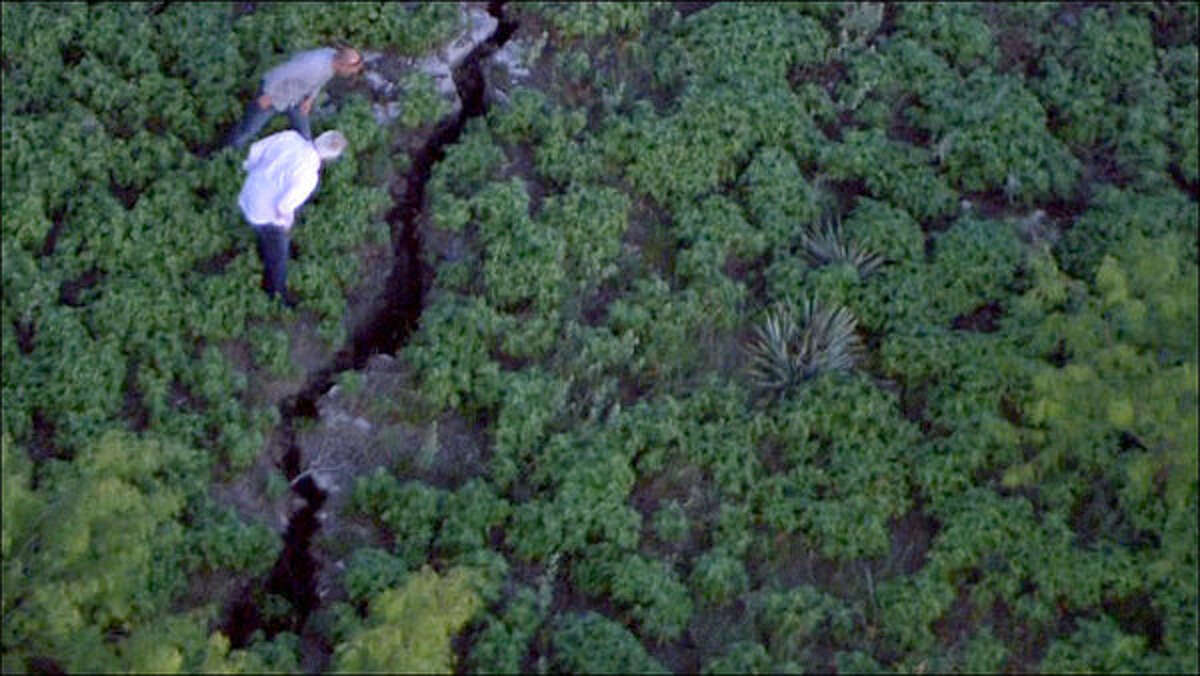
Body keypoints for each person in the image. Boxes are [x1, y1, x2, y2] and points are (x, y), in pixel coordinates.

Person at [238, 129, 348, 303]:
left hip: (248, 193)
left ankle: (259, 245)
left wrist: (251, 169)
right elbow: (283, 205)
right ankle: (276, 294)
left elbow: (255, 148)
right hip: (263, 213)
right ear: (330, 156)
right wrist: (287, 221)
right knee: (279, 253)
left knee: (265, 232)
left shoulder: (290, 137)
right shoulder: (309, 176)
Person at [228, 46, 363, 148]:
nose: (351, 74)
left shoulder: (332, 60)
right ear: (342, 64)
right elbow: (280, 73)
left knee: (305, 136)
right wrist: (267, 94)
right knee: (249, 129)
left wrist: (310, 99)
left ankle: (302, 158)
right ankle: (228, 150)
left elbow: (320, 81)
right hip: (275, 96)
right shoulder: (312, 65)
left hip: (296, 98)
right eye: (351, 71)